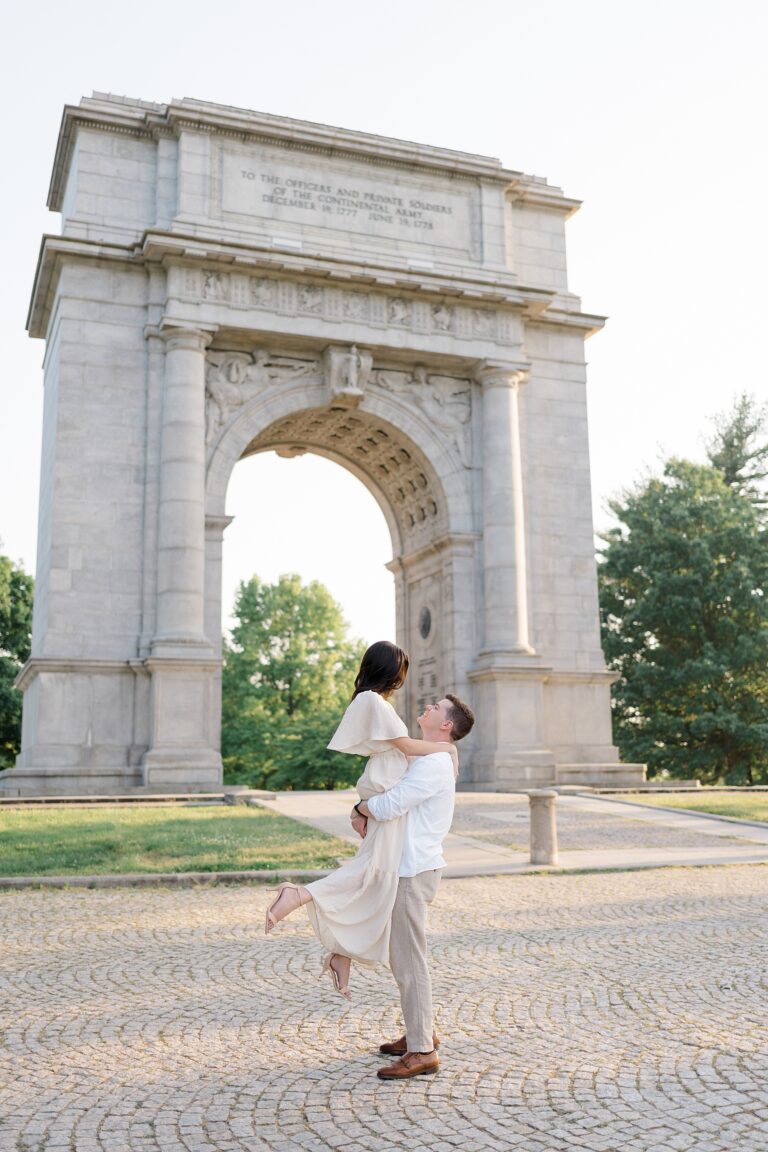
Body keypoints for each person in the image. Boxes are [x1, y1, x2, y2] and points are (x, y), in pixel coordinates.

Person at [263, 640, 458, 998]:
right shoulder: (372, 702)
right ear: (392, 673)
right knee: (374, 872)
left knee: (378, 877)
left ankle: (342, 953)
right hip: (385, 785)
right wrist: (448, 747)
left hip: (383, 784)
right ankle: (299, 894)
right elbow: (408, 748)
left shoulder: (369, 701)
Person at [356, 692, 475, 1080]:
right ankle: (420, 1030)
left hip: (413, 870)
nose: (427, 707)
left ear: (446, 725)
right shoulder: (431, 757)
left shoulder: (435, 762)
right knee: (401, 957)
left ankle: (423, 1051)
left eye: (436, 707)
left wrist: (358, 809)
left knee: (410, 961)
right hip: (406, 867)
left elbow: (391, 805)